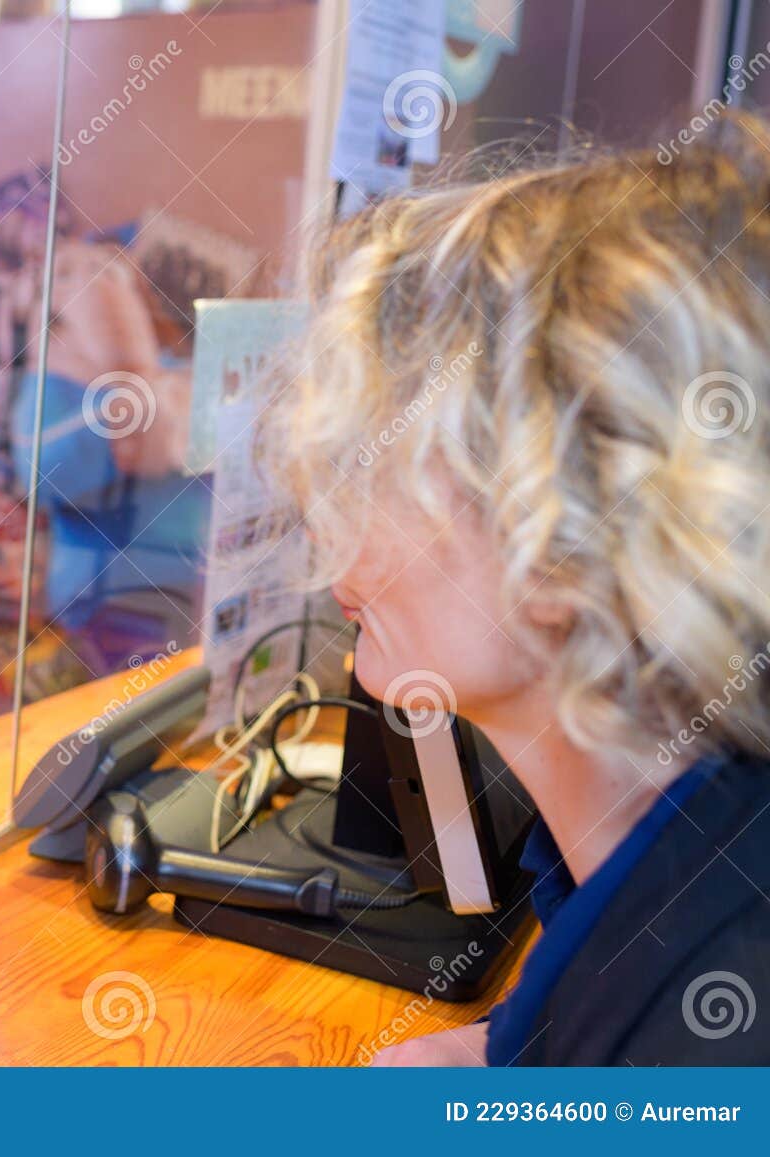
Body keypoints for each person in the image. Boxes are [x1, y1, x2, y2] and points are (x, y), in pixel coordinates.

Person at [254, 113, 770, 1065]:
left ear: (575, 532)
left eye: (381, 458)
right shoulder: (663, 861)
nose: (330, 523)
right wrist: (502, 1056)